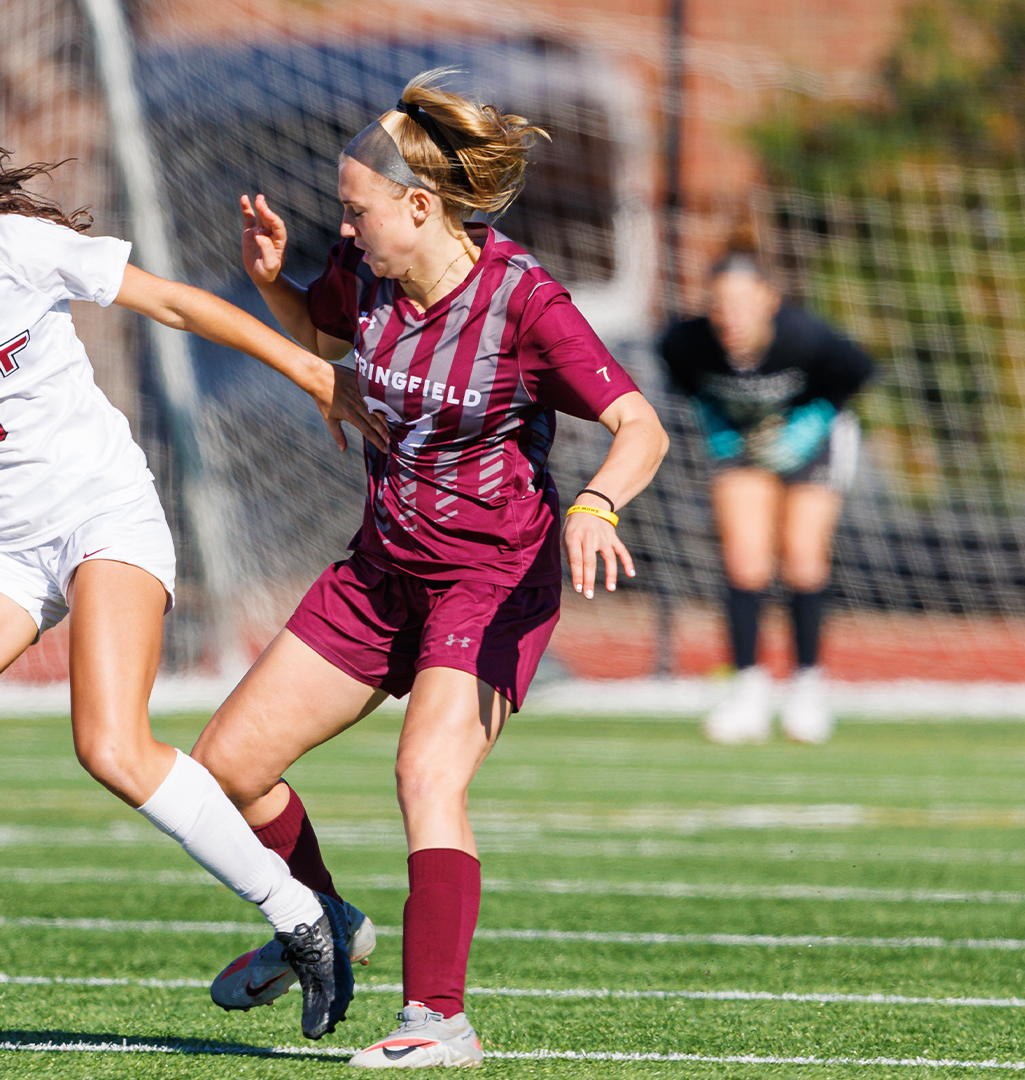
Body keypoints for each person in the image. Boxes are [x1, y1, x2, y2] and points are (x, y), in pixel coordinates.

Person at [0, 118, 389, 1048]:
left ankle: (300, 915)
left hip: (103, 515)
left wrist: (314, 369)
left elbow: (175, 305)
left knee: (112, 747)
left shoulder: (5, 250)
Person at [189, 70, 670, 1068]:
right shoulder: (367, 271)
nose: (346, 226)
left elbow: (639, 425)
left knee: (426, 774)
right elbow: (329, 345)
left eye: (356, 210)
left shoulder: (523, 303)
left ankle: (438, 1020)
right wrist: (277, 279)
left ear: (420, 206)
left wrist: (595, 503)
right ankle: (319, 918)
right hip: (382, 571)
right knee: (229, 769)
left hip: (491, 581)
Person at [662, 249, 874, 744]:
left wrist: (806, 427)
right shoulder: (685, 342)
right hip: (740, 440)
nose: (730, 316)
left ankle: (807, 688)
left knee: (803, 556)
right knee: (745, 560)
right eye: (720, 303)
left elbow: (856, 377)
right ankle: (748, 691)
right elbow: (690, 391)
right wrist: (720, 431)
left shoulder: (808, 338)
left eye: (742, 302)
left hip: (813, 439)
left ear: (769, 300)